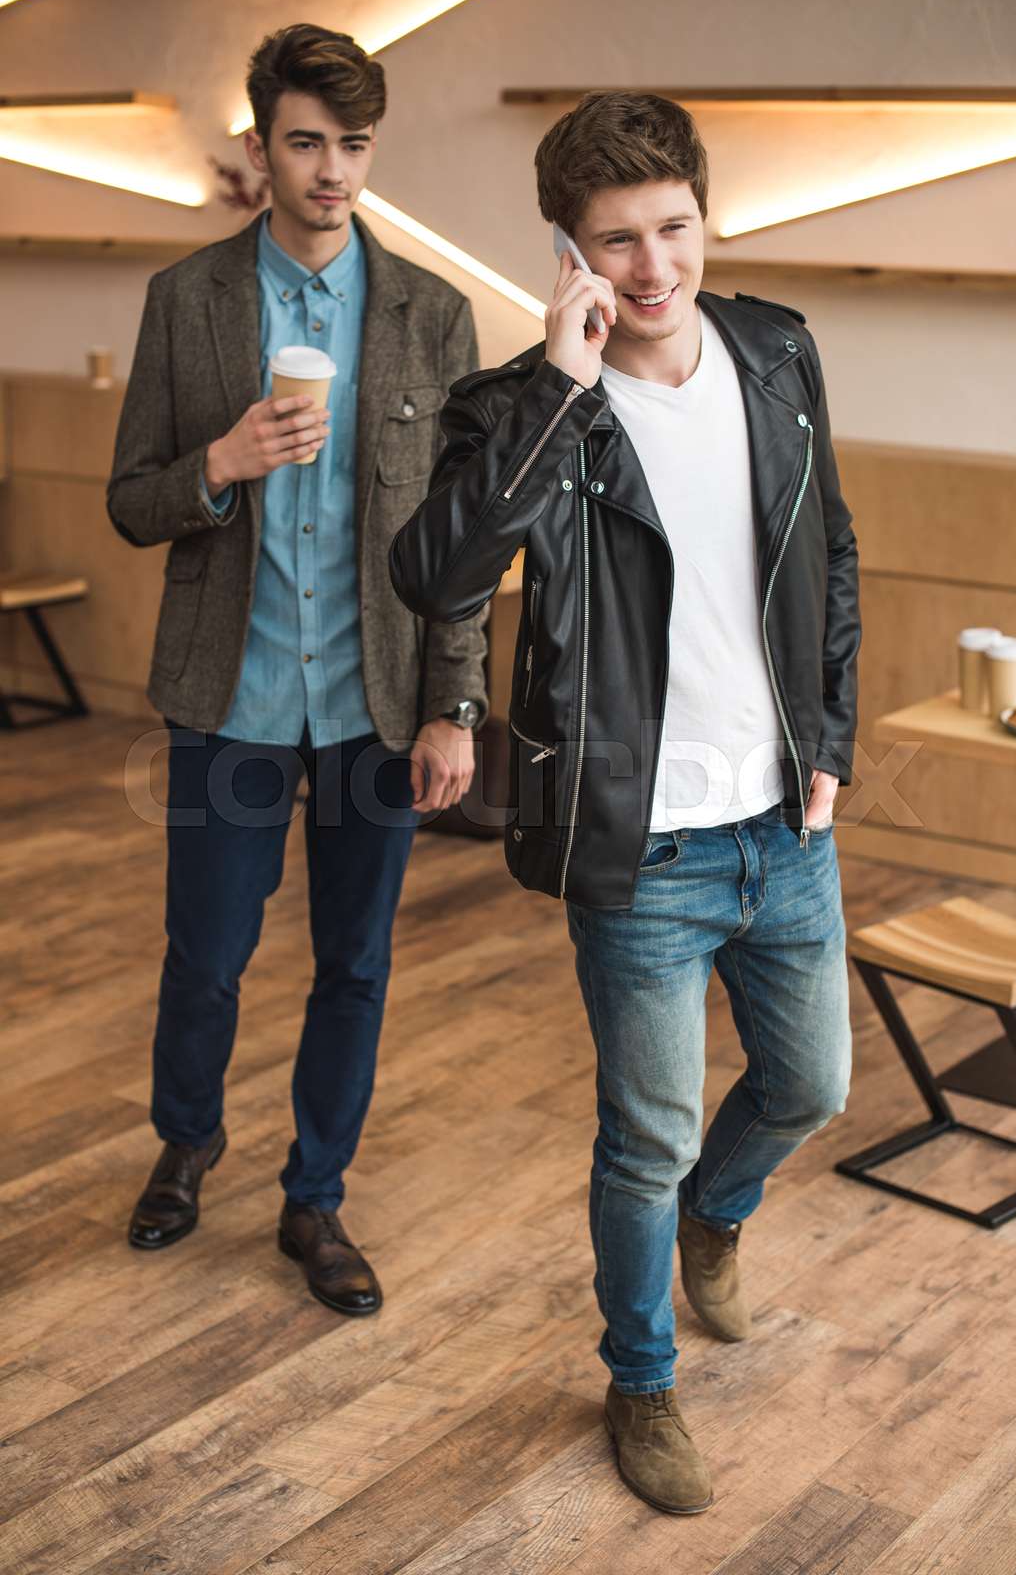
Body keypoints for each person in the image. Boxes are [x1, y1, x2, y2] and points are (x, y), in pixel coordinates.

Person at [390, 91, 859, 1513]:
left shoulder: (777, 350)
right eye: (616, 240)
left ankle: (718, 1222)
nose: (653, 267)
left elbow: (828, 550)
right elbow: (439, 574)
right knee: (644, 1133)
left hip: (784, 824)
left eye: (673, 228)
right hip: (638, 840)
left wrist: (827, 734)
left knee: (811, 1083)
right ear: (568, 250)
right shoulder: (527, 405)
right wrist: (558, 384)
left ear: (705, 217)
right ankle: (640, 1380)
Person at [107, 22, 487, 1316]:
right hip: (233, 699)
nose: (332, 171)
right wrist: (221, 464)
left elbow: (459, 546)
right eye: (307, 142)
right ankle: (187, 1140)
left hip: (380, 711)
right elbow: (130, 501)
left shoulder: (436, 319)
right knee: (206, 953)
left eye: (354, 145)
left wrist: (454, 707)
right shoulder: (188, 302)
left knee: (357, 963)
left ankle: (315, 1197)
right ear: (260, 146)